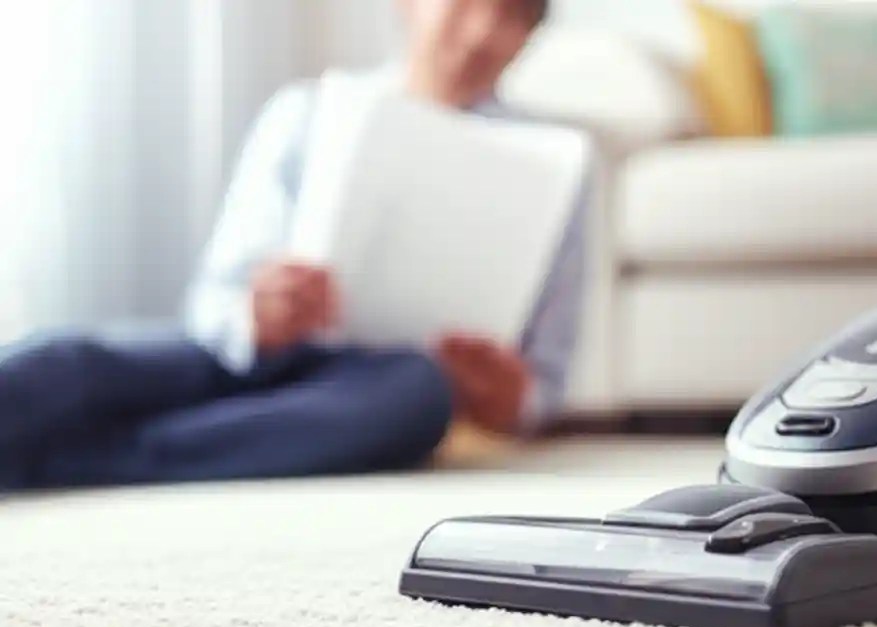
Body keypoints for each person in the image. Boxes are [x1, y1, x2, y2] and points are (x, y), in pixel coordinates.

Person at [0, 0, 582, 489]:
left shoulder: (554, 166)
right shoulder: (305, 113)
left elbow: (543, 386)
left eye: (514, 15)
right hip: (244, 359)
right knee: (63, 362)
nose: (483, 30)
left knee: (418, 394)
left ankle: (70, 464)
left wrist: (511, 398)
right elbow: (211, 305)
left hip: (374, 384)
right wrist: (256, 313)